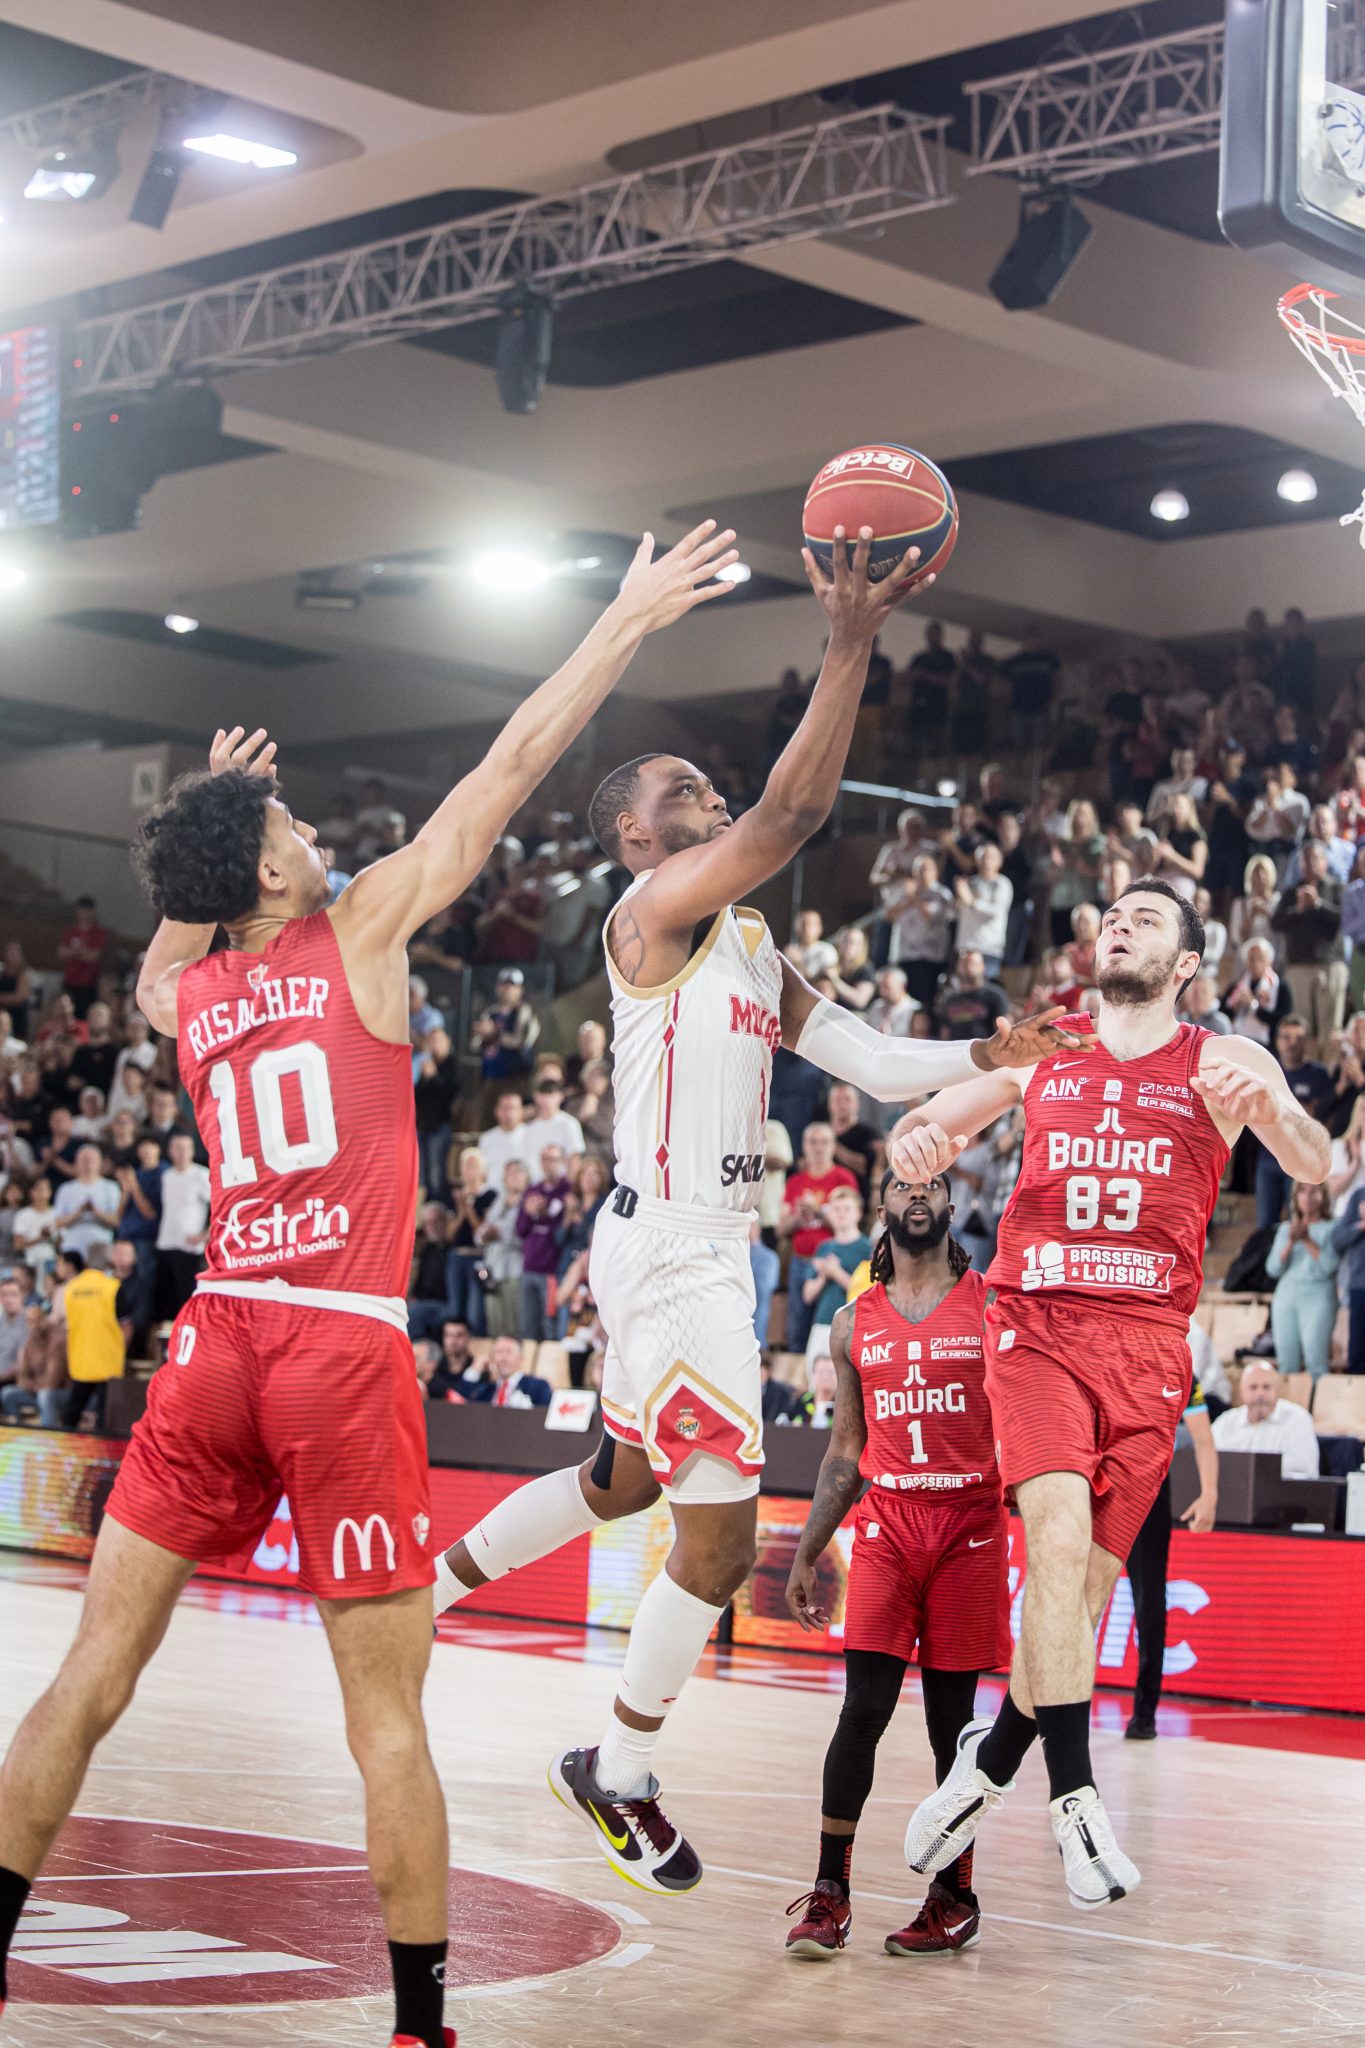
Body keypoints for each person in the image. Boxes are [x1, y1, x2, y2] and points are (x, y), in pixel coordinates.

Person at [0, 513, 740, 2048]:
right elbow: (510, 770)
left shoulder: (190, 989)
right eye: (285, 825)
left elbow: (154, 965)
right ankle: (418, 2028)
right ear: (272, 867)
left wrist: (213, 837)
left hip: (212, 1345)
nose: (312, 826)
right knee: (385, 1719)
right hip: (337, 1352)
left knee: (88, 1675)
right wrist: (625, 623)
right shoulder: (362, 930)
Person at [429, 530, 1084, 1896]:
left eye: (710, 785)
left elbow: (854, 1054)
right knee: (718, 1543)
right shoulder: (649, 915)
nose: (715, 798)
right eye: (688, 789)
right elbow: (785, 823)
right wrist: (850, 637)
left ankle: (410, 1602)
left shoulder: (743, 940)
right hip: (673, 1256)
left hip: (683, 1249)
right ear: (632, 832)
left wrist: (987, 1060)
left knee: (618, 1488)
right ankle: (617, 1771)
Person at [893, 878, 1329, 1909]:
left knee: (1080, 1598)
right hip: (1036, 1322)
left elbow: (1318, 1160)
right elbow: (937, 1119)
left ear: (1185, 963)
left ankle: (991, 1757)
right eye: (1112, 913)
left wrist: (1278, 1115)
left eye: (1146, 919)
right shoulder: (1047, 1039)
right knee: (1052, 1543)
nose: (1118, 924)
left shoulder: (1225, 1060)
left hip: (1148, 1347)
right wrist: (920, 1138)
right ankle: (1075, 1802)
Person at [783, 1170, 1010, 1960]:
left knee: (954, 1728)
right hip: (887, 1524)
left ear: (951, 1207)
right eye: (902, 1186)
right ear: (882, 1210)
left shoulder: (990, 1307)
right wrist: (808, 1548)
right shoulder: (852, 1323)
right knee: (862, 1713)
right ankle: (829, 1893)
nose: (918, 1195)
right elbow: (844, 1452)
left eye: (932, 1185)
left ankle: (954, 1894)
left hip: (970, 1529)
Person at [1122, 1377, 1219, 1741]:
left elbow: (1203, 1436)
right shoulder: (1104, 1346)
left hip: (1149, 1487)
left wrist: (1209, 1493)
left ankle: (1144, 1714)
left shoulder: (1180, 1367)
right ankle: (1063, 1706)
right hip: (1099, 1480)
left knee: (1150, 1599)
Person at [781, 1124, 861, 1352]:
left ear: (833, 1146)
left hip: (836, 1258)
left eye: (824, 1141)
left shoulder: (843, 1178)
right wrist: (799, 1216)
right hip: (802, 1260)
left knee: (833, 1319)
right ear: (804, 1146)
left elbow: (849, 1220)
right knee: (797, 1325)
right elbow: (781, 1227)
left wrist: (819, 1211)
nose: (818, 1148)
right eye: (812, 1142)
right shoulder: (795, 1181)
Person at [1266, 1183, 1340, 1378]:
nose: (1307, 1197)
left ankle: (1318, 1407)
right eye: (1302, 1191)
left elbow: (1330, 1266)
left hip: (1318, 1295)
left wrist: (1307, 1240)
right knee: (1286, 1362)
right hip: (1286, 1296)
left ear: (1323, 1196)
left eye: (1314, 1191)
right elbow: (1273, 1269)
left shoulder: (1333, 1227)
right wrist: (1291, 1241)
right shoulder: (1285, 1229)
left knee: (1316, 1360)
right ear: (1295, 1197)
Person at [1210, 1360, 1320, 1477]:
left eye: (1266, 1387)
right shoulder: (1225, 1423)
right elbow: (1207, 1462)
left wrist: (1256, 1468)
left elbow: (1305, 1469)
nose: (1260, 1393)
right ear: (1242, 1391)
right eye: (1253, 1387)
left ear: (1278, 1390)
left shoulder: (1298, 1420)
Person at [800, 1185, 871, 1362]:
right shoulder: (824, 1247)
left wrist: (835, 1272)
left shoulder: (867, 1248)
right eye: (836, 1209)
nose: (841, 1214)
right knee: (816, 1381)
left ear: (858, 1213)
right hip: (823, 1321)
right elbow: (808, 1294)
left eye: (847, 1209)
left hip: (853, 1326)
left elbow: (868, 1294)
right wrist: (824, 1275)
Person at [155, 1130, 211, 1319]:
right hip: (165, 1243)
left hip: (189, 1247)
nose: (181, 1152)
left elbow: (220, 1206)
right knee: (166, 1302)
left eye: (185, 1148)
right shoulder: (166, 1176)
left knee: (186, 1298)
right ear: (170, 1150)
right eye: (177, 1148)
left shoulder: (202, 1175)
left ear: (192, 1151)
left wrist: (205, 1235)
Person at [471, 1331, 552, 1409]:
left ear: (520, 1358)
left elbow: (547, 1416)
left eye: (509, 1352)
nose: (503, 1358)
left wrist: (529, 1411)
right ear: (492, 1358)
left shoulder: (537, 1386)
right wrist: (474, 1371)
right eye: (498, 1352)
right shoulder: (485, 1390)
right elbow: (464, 1408)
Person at [56, 897, 106, 1019]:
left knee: (84, 1018)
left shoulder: (98, 932)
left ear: (93, 911)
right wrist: (81, 952)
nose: (84, 913)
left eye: (87, 909)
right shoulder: (70, 931)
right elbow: (61, 953)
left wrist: (73, 952)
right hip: (69, 981)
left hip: (88, 983)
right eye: (82, 909)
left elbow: (94, 956)